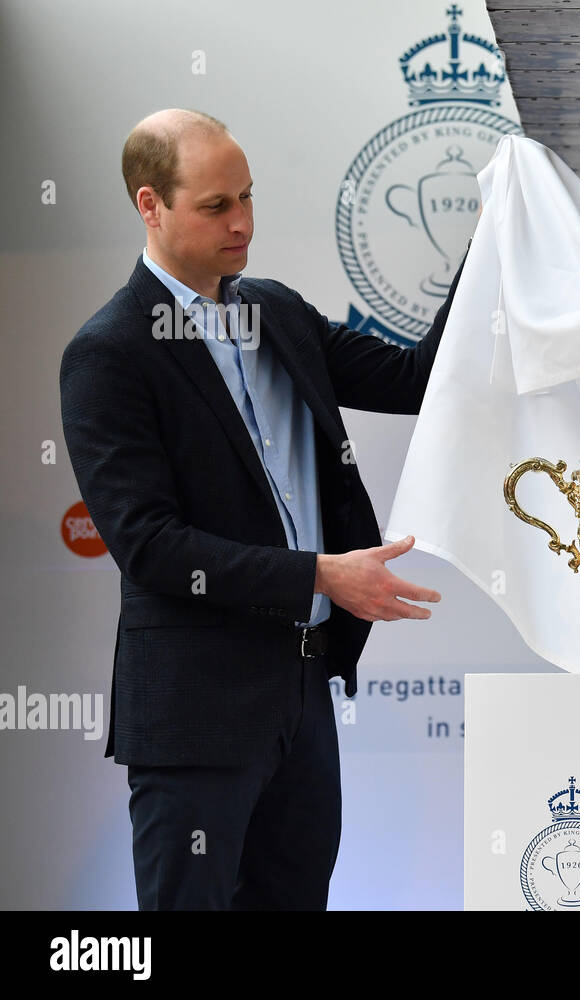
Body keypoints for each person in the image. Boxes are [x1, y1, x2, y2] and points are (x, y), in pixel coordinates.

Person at [58, 108, 469, 909]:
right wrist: (320, 574)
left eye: (247, 197)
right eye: (216, 206)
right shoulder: (107, 353)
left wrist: (489, 244)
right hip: (195, 714)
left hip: (303, 696)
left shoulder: (276, 312)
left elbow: (420, 379)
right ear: (150, 205)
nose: (242, 222)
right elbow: (150, 545)